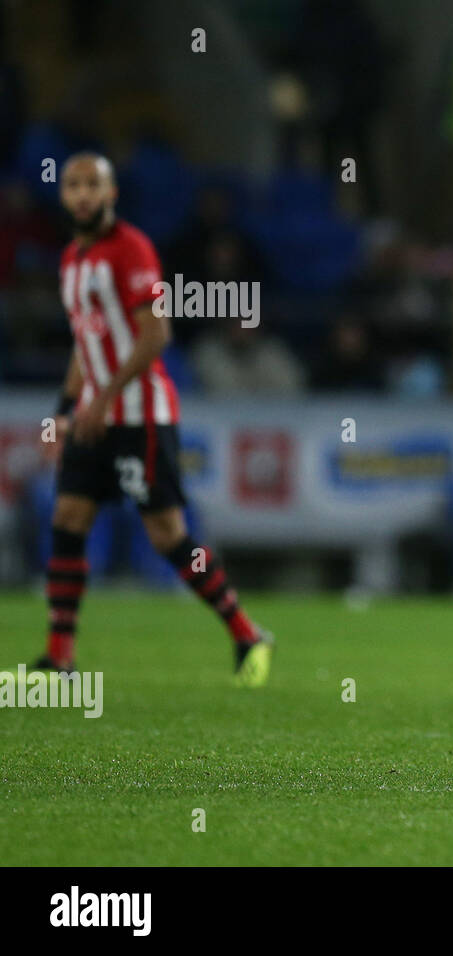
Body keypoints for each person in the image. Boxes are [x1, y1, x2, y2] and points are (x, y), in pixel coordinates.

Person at [31, 152, 272, 687]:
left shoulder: (131, 249)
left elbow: (156, 332)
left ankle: (243, 630)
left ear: (111, 193)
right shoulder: (71, 259)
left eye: (93, 184)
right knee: (68, 519)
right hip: (93, 417)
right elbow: (85, 343)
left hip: (140, 415)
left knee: (166, 535)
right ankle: (59, 657)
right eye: (73, 185)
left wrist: (104, 396)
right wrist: (64, 413)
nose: (83, 194)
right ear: (64, 194)